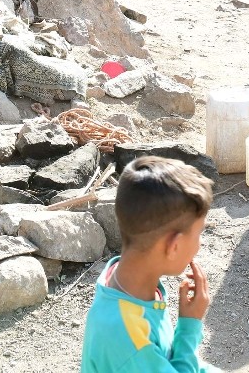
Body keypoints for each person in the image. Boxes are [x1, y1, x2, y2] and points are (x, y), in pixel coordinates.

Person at [80, 156, 217, 373]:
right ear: (174, 246)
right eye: (199, 232)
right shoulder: (130, 341)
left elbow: (163, 358)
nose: (199, 244)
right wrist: (190, 327)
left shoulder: (121, 280)